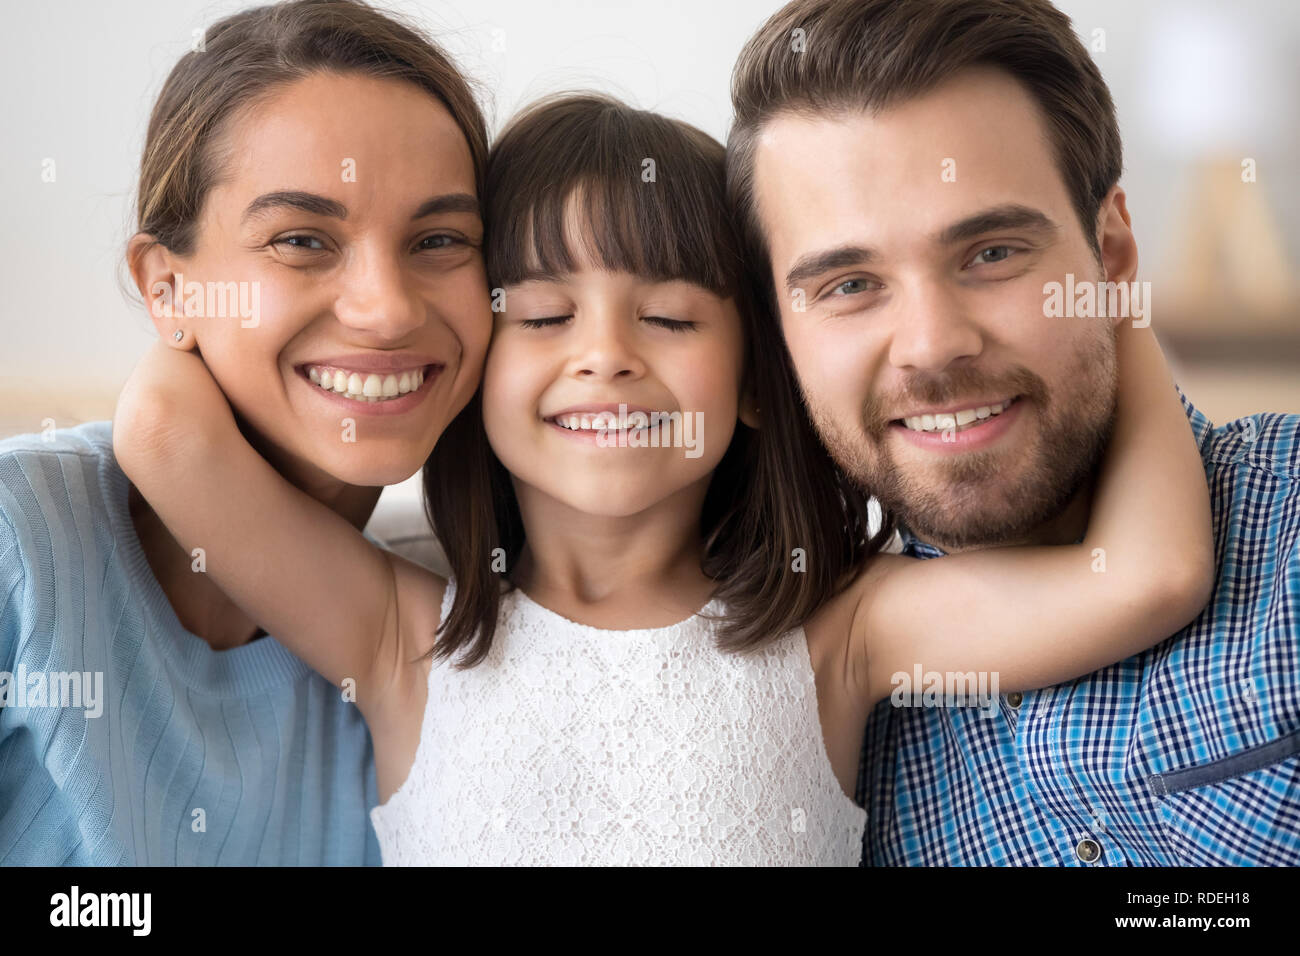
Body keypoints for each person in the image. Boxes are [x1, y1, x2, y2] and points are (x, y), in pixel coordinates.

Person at [112, 90, 1213, 866]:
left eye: (674, 316)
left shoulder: (843, 629)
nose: (606, 354)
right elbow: (165, 435)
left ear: (752, 379)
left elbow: (1150, 576)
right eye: (541, 316)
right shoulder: (399, 632)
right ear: (477, 369)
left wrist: (1103, 292)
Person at [726, 0, 1300, 865]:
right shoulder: (803, 720)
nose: (931, 347)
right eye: (848, 284)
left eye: (991, 253)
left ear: (1110, 253)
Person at [0, 0, 490, 864]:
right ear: (166, 288)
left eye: (439, 238)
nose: (385, 310)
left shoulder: (445, 613)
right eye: (302, 239)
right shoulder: (21, 541)